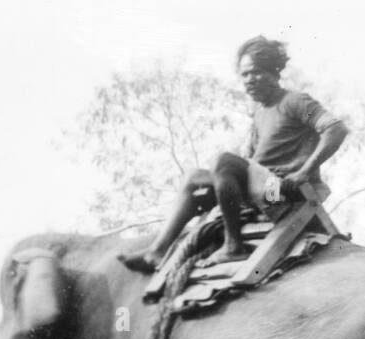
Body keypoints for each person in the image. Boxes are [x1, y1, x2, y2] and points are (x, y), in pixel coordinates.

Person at [121, 36, 349, 273]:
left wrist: (305, 171)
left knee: (224, 161)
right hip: (255, 192)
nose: (248, 81)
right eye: (244, 75)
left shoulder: (295, 102)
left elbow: (335, 129)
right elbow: (250, 163)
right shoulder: (261, 114)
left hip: (279, 192)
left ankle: (234, 245)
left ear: (273, 72)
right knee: (193, 178)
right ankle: (157, 252)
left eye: (254, 72)